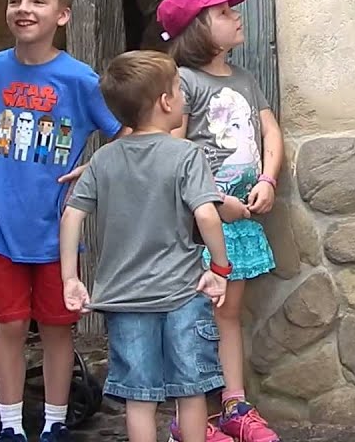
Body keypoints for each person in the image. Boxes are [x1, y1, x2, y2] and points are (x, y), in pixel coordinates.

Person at [0, 0, 125, 442]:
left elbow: (126, 135)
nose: (23, 9)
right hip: (0, 230)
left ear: (63, 16)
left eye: (37, 1)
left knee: (57, 330)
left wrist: (92, 169)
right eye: (15, 0)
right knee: (8, 327)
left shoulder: (80, 79)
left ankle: (54, 422)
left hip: (58, 234)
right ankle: (10, 426)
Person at [59, 50, 233, 442]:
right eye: (178, 88)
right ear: (166, 102)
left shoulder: (103, 159)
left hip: (124, 299)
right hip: (183, 294)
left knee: (140, 399)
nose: (183, 96)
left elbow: (72, 215)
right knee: (190, 393)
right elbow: (207, 215)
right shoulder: (187, 154)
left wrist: (70, 277)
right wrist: (219, 269)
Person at [157, 0, 284, 442]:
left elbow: (270, 133)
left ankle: (235, 404)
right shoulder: (184, 83)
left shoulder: (246, 79)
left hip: (242, 221)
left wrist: (268, 179)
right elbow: (172, 152)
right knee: (196, 319)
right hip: (201, 225)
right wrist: (212, 199)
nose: (237, 17)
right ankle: (191, 419)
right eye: (225, 13)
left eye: (233, 10)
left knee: (228, 314)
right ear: (197, 30)